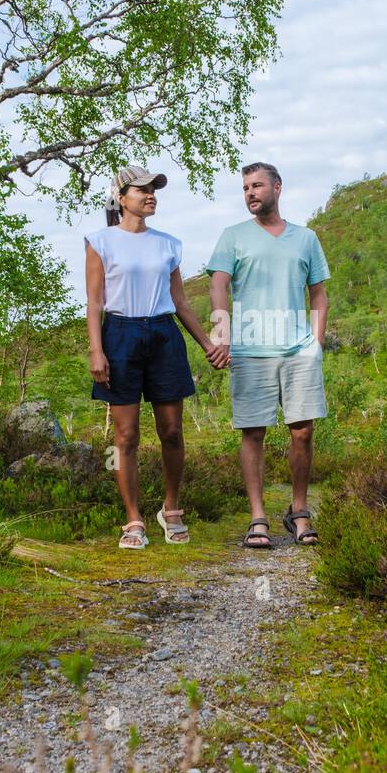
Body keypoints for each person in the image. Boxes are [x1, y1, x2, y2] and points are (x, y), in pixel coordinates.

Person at [86, 165, 229, 549]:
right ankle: (133, 519)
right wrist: (96, 350)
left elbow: (180, 300)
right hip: (120, 336)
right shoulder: (100, 240)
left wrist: (207, 343)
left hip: (164, 335)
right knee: (126, 435)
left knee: (171, 431)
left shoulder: (169, 244)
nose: (151, 195)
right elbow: (95, 300)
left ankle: (171, 509)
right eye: (142, 189)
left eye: (154, 189)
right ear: (121, 198)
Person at [207, 162, 330, 549]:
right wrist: (222, 333)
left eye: (257, 185)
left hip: (298, 350)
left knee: (303, 431)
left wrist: (317, 343)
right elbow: (218, 285)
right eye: (245, 188)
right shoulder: (233, 237)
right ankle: (257, 517)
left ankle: (298, 511)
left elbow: (319, 294)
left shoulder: (306, 238)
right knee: (253, 433)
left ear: (277, 187)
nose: (250, 193)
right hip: (249, 349)